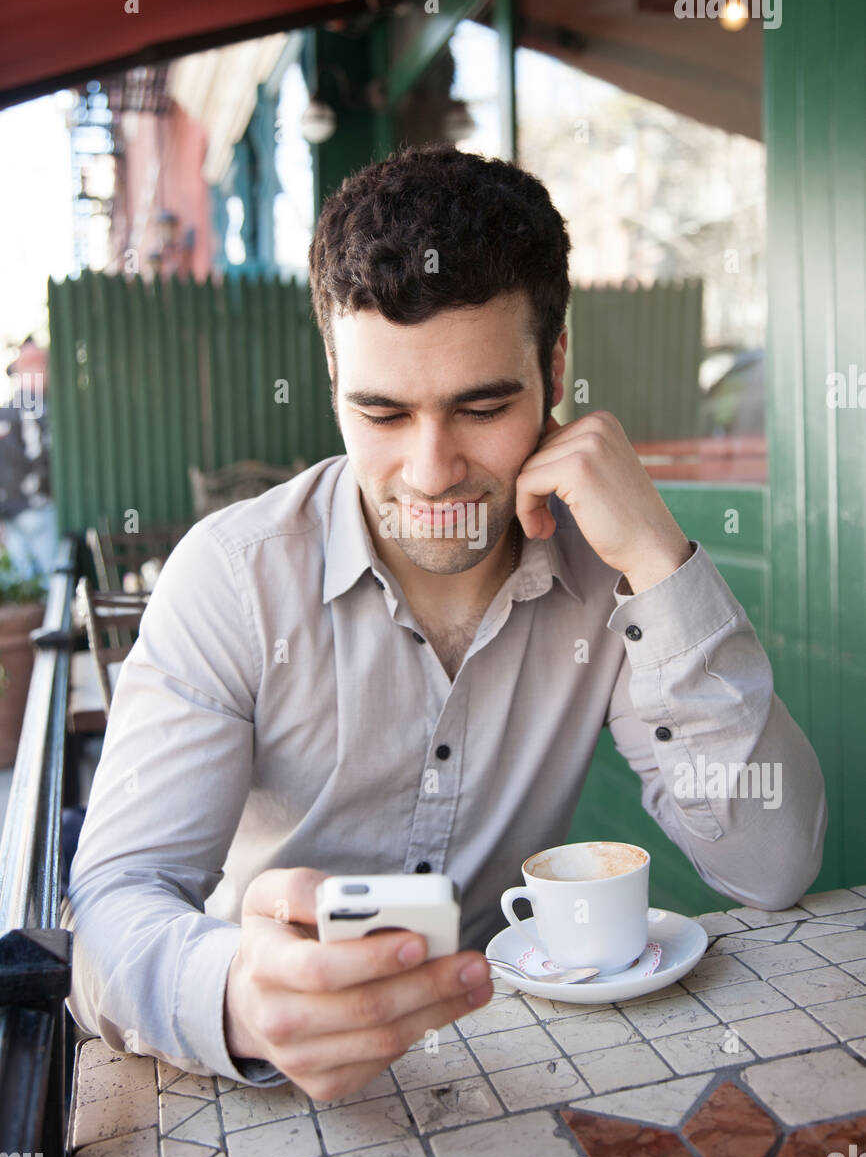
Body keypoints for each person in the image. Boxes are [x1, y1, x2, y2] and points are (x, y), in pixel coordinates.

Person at [60, 144, 827, 1102]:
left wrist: (663, 564)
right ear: (332, 377)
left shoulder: (610, 571)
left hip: (513, 1069)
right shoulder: (232, 580)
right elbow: (109, 915)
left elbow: (771, 864)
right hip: (261, 1085)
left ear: (555, 370)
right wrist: (238, 1000)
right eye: (381, 413)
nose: (431, 472)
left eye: (482, 406)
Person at [0, 337, 58, 589]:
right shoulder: (36, 408)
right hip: (35, 507)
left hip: (12, 509)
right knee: (51, 581)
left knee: (24, 585)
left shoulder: (9, 410)